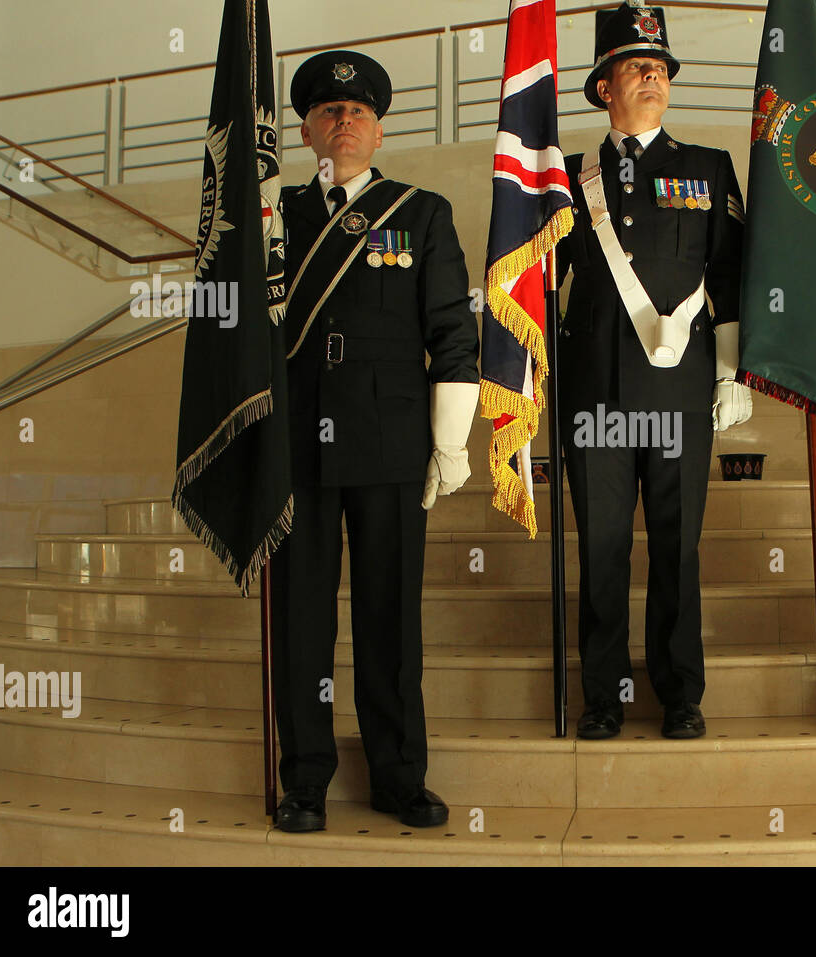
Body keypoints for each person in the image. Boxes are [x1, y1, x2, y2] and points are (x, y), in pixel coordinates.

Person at [271, 50, 480, 830]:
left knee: (391, 617)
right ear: (307, 130)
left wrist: (449, 442)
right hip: (298, 446)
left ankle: (397, 774)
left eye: (358, 111)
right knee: (302, 619)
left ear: (380, 128)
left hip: (392, 445)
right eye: (329, 111)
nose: (344, 120)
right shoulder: (276, 217)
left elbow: (452, 332)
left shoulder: (419, 214)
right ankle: (305, 778)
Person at [556, 2, 751, 740]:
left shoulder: (707, 169)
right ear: (603, 86)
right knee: (602, 544)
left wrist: (730, 373)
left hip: (678, 388)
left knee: (676, 544)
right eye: (636, 67)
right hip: (595, 388)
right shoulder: (566, 179)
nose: (652, 77)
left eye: (660, 68)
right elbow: (541, 287)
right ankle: (602, 695)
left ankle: (680, 692)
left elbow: (728, 277)